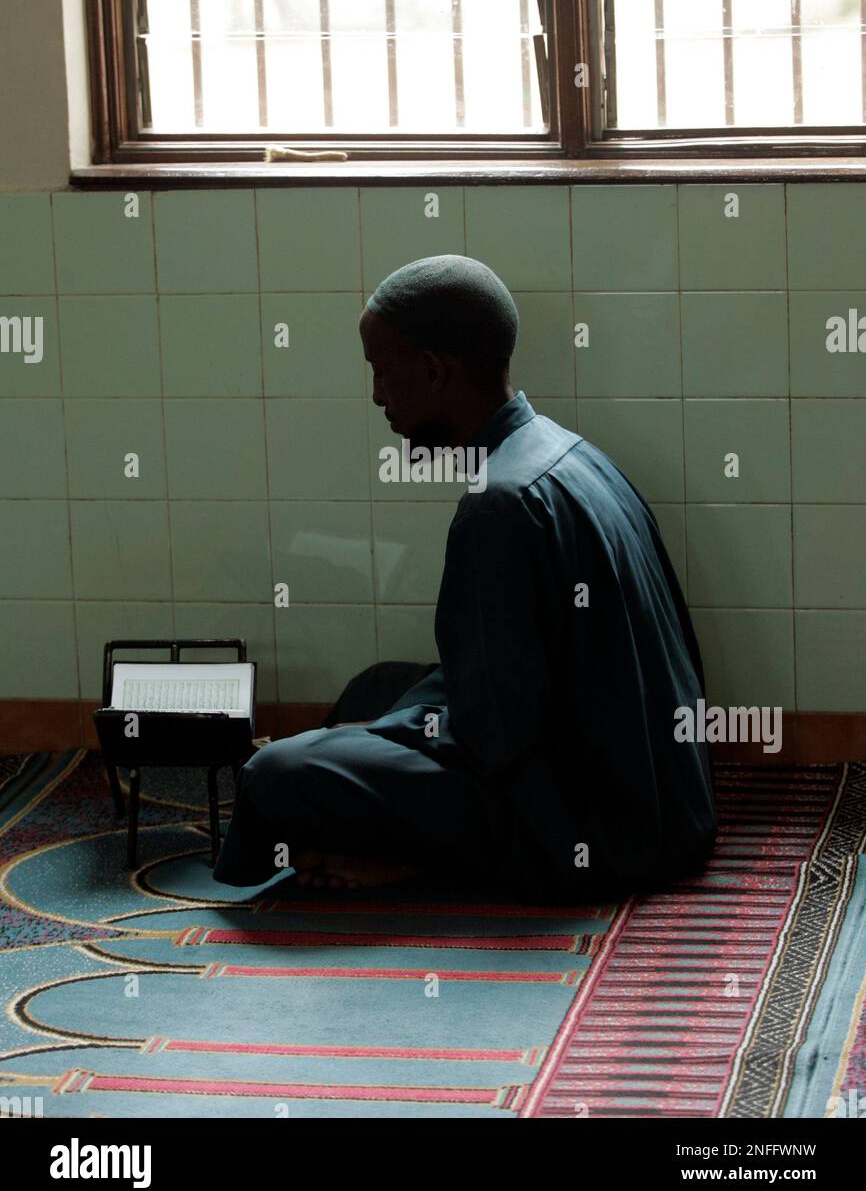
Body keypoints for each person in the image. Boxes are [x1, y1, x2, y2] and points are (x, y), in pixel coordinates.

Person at [213, 255, 717, 899]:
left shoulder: (498, 505)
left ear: (431, 370)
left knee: (276, 772)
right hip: (668, 797)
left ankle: (415, 861)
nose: (376, 397)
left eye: (380, 372)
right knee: (375, 690)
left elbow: (496, 741)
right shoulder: (568, 450)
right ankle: (386, 814)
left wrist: (372, 742)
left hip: (595, 831)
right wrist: (383, 726)